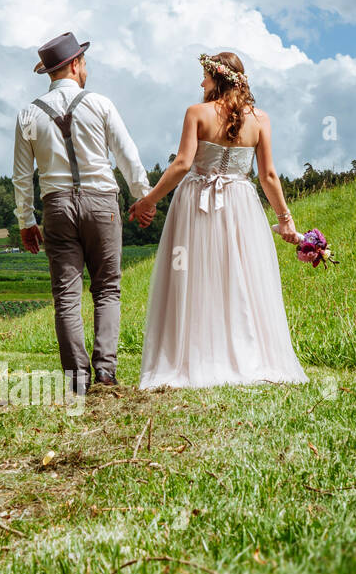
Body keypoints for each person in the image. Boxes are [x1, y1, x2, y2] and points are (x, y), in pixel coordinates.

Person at [130, 51, 307, 389]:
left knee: (193, 277)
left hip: (196, 203)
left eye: (205, 77)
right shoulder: (261, 119)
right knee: (238, 276)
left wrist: (148, 201)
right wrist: (286, 220)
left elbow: (182, 164)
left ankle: (195, 357)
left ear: (218, 78)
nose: (201, 83)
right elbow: (268, 175)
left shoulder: (196, 113)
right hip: (241, 206)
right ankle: (247, 356)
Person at [13, 31, 149, 392]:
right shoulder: (100, 103)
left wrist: (26, 222)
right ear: (74, 65)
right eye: (83, 61)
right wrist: (143, 197)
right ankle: (106, 372)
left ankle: (77, 378)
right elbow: (127, 156)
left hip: (56, 207)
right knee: (107, 288)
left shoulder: (28, 114)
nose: (85, 67)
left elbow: (22, 176)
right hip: (101, 202)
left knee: (66, 295)